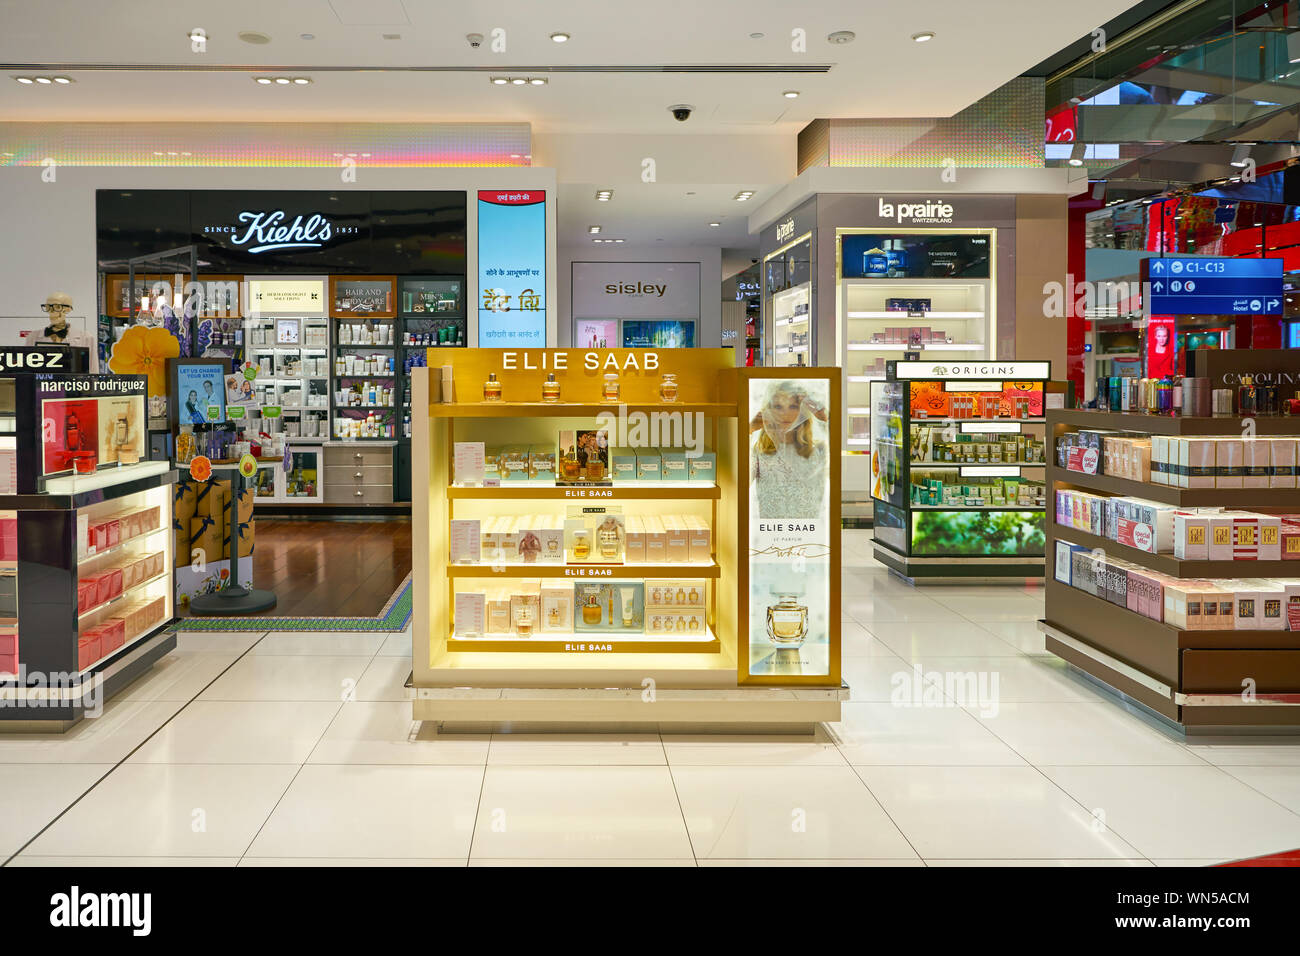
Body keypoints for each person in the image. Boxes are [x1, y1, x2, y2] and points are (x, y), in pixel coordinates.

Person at [750, 381, 829, 520]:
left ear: (802, 411)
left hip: (810, 534)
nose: (785, 413)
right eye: (778, 406)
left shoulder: (819, 449)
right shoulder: (760, 450)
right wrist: (748, 430)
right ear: (768, 410)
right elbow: (740, 484)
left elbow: (840, 475)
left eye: (793, 406)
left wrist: (824, 418)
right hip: (770, 534)